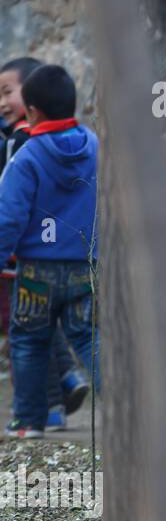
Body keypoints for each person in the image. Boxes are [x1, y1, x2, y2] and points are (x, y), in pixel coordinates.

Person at [0, 65, 98, 437]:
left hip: (35, 271)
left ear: (33, 111)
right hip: (84, 265)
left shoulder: (26, 156)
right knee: (89, 337)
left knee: (28, 340)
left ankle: (29, 420)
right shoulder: (94, 147)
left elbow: (9, 217)